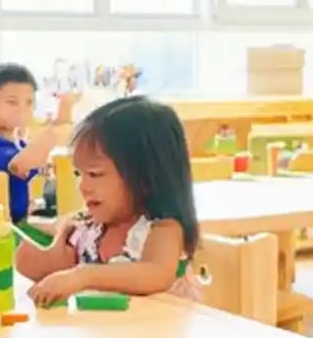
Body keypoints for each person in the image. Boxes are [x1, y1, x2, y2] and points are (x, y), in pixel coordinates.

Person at [16, 96, 201, 304]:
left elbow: (155, 274)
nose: (83, 187)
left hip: (158, 331)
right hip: (109, 333)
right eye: (79, 174)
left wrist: (83, 276)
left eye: (95, 174)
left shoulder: (162, 229)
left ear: (145, 179)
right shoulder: (90, 231)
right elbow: (46, 269)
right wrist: (21, 245)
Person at [0, 62, 75, 226]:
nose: (23, 109)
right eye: (13, 102)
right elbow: (20, 165)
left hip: (29, 214)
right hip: (12, 225)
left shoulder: (20, 142)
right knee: (66, 231)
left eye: (29, 102)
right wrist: (58, 127)